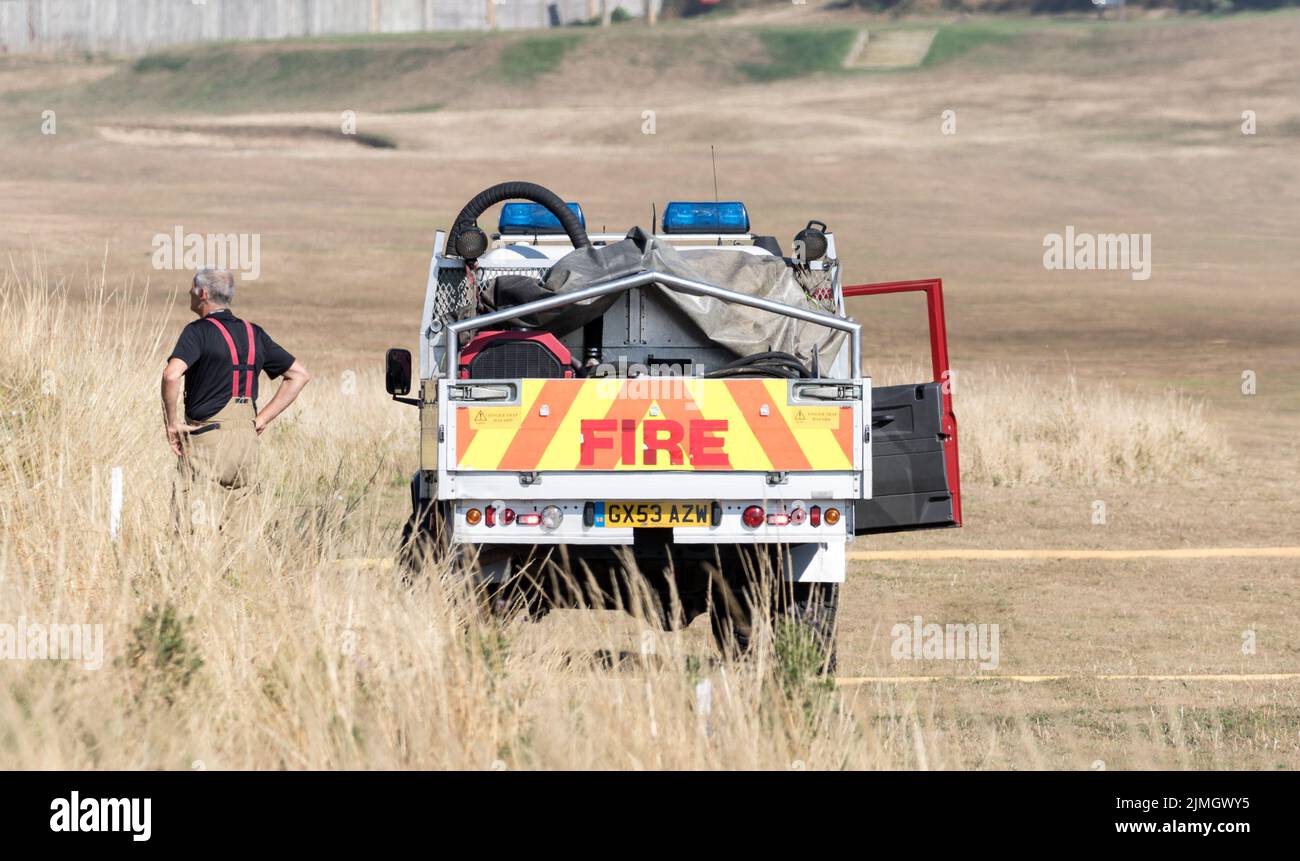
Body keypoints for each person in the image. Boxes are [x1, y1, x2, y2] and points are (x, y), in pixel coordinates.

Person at [161, 269, 310, 530]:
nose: (189, 293)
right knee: (239, 532)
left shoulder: (197, 332)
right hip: (246, 444)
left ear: (203, 294)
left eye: (192, 288)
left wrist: (172, 424)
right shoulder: (255, 333)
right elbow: (299, 375)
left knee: (190, 528)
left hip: (206, 441)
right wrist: (261, 419)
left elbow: (171, 376)